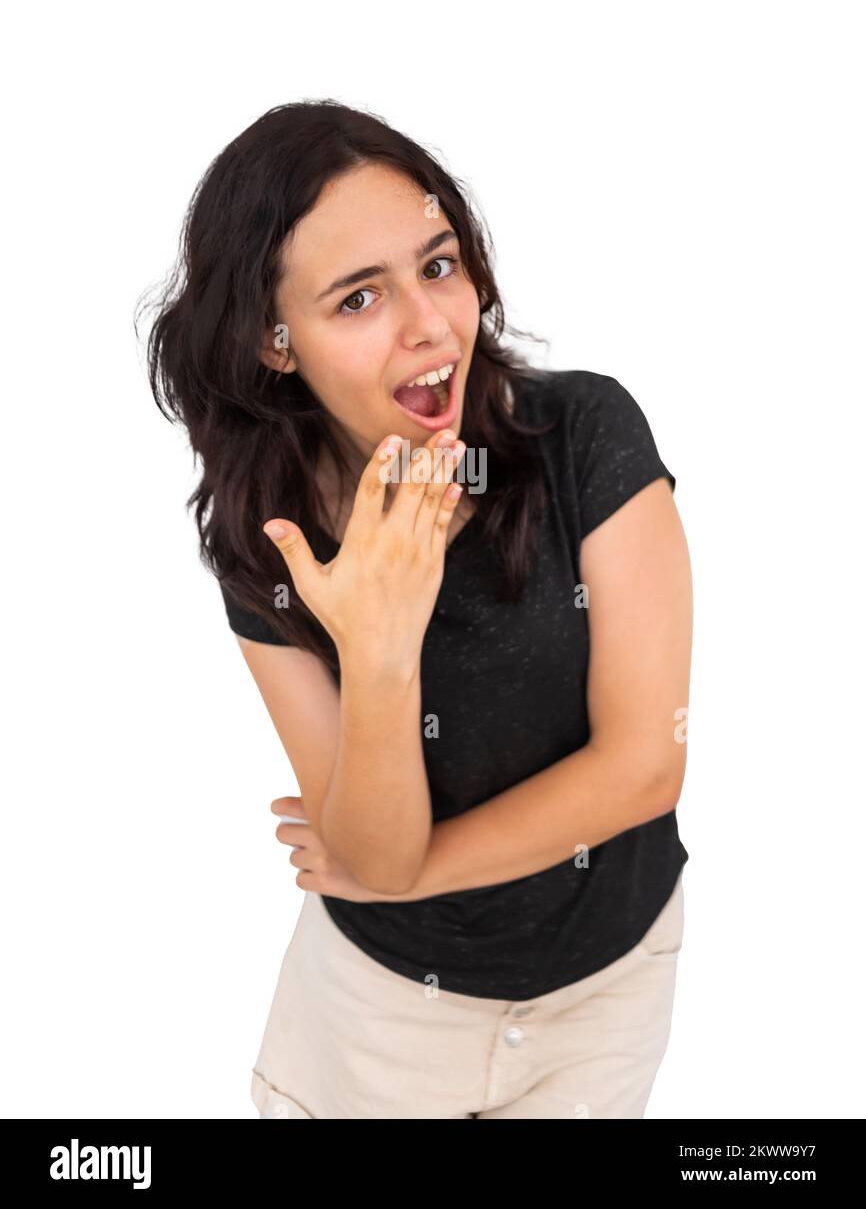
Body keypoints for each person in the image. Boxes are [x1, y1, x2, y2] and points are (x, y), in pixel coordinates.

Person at [143, 99, 692, 1119]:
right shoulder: (273, 542)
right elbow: (374, 850)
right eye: (356, 300)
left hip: (600, 995)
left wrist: (386, 870)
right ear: (274, 342)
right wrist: (380, 647)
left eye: (436, 266)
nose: (430, 324)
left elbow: (644, 764)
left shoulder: (585, 434)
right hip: (378, 1015)